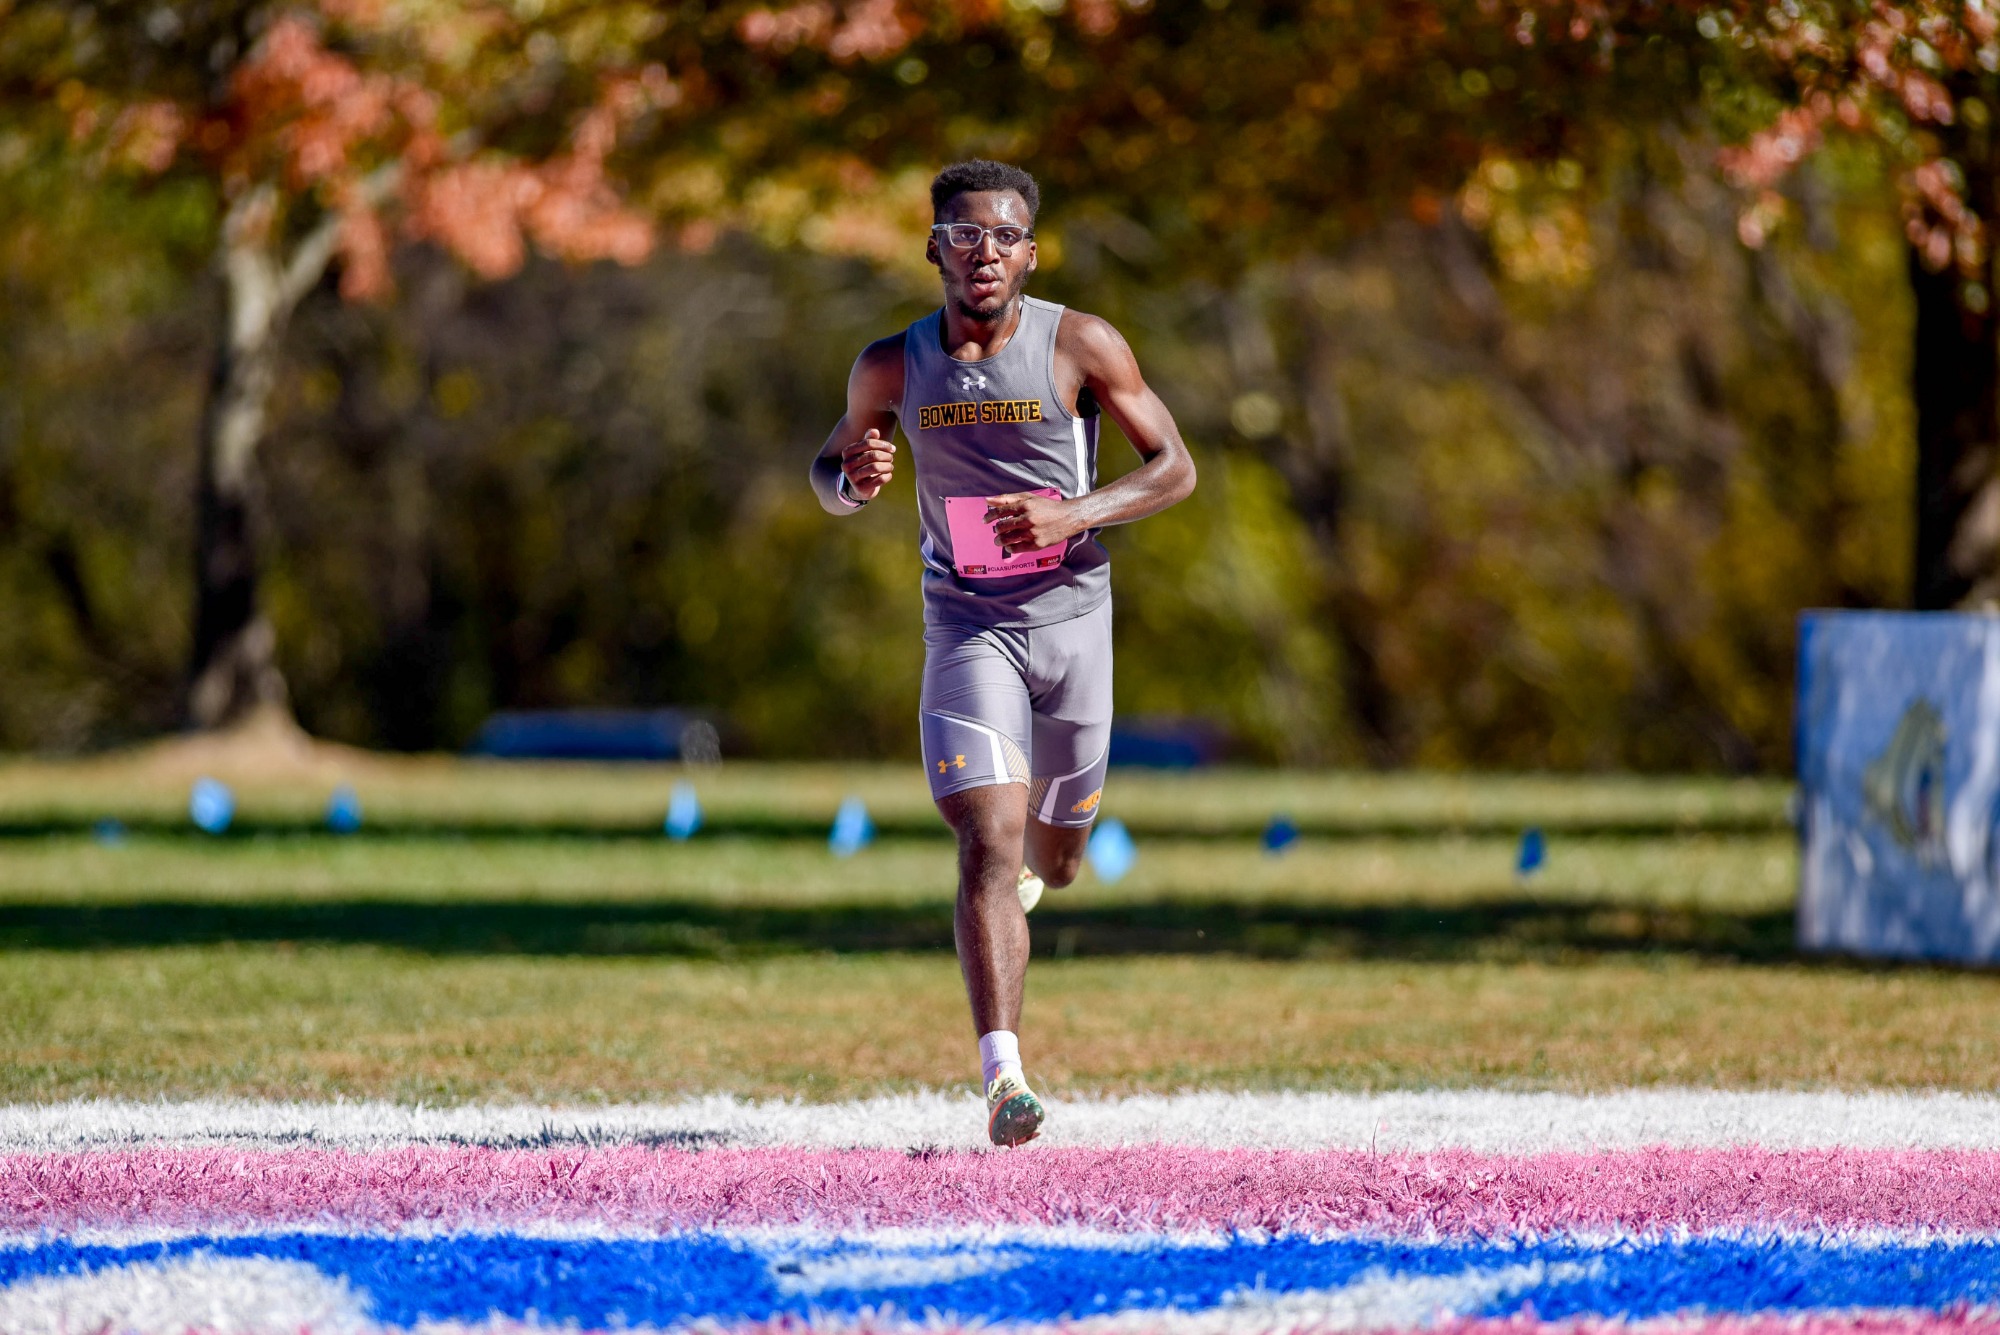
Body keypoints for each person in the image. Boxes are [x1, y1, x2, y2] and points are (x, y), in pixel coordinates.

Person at [810, 159, 1196, 1146]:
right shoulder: (890, 365)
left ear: (1030, 252)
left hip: (1071, 619)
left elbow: (1175, 467)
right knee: (985, 842)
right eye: (963, 234)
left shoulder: (1079, 343)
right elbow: (828, 469)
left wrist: (1074, 510)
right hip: (965, 621)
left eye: (1003, 236)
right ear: (933, 246)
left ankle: (1042, 862)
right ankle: (1003, 1078)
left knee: (1055, 861)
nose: (983, 253)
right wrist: (851, 476)